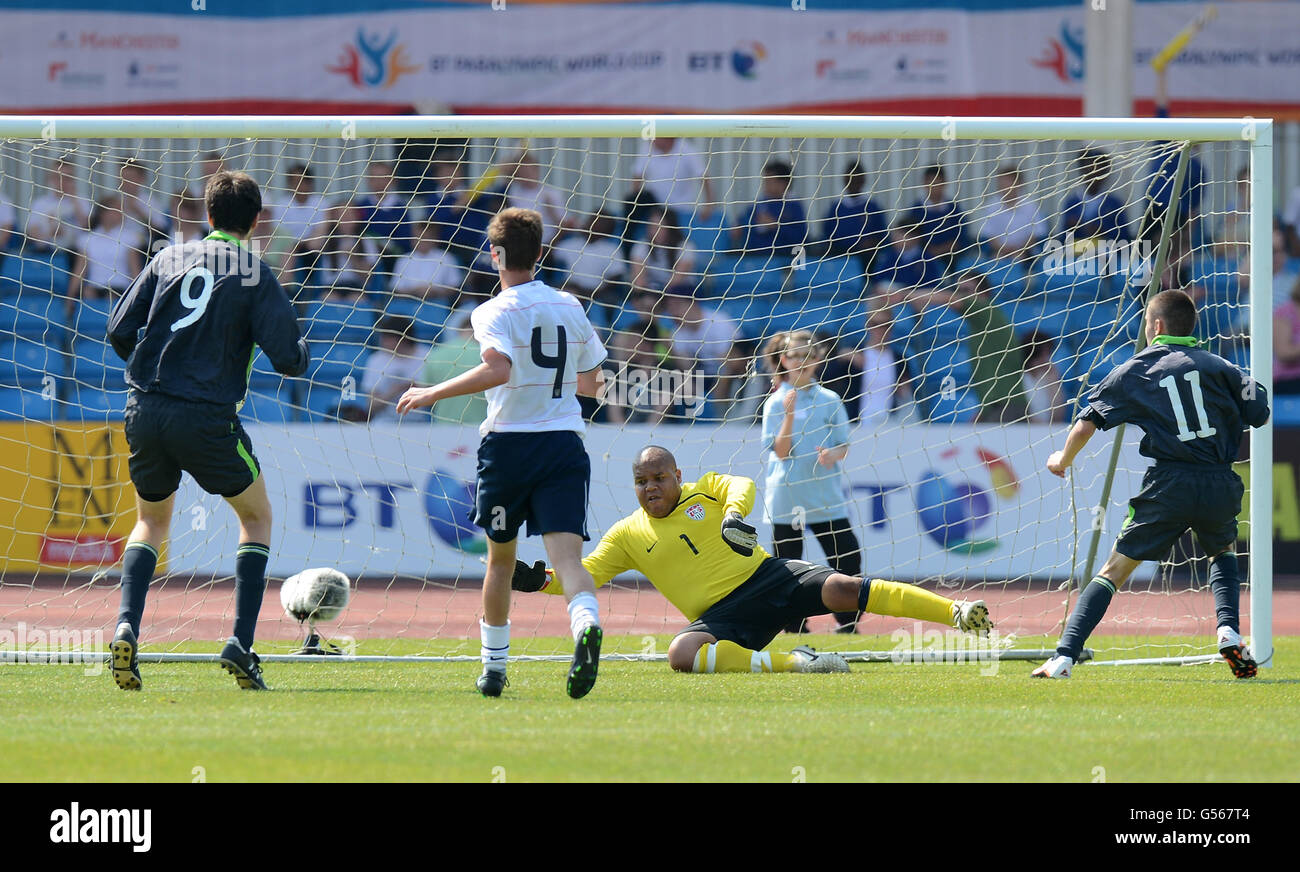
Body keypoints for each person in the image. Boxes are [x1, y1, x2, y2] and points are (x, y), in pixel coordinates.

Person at [509, 446, 993, 675]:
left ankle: (955, 613)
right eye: (642, 481)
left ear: (677, 475)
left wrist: (733, 516)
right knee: (679, 654)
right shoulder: (627, 534)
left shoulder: (706, 489)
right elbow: (586, 574)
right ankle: (799, 663)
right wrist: (540, 580)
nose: (651, 487)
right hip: (723, 617)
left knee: (845, 587)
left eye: (659, 477)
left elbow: (742, 486)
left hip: (769, 577)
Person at [105, 170, 311, 692]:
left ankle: (126, 624)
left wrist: (162, 372)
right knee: (257, 517)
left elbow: (117, 331)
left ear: (209, 215)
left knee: (151, 520)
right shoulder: (253, 271)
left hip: (146, 408)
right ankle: (241, 644)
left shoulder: (169, 256)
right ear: (256, 220)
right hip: (205, 415)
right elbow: (290, 360)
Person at [396, 207, 608, 699]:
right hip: (562, 443)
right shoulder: (570, 305)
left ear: (494, 255)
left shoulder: (489, 311)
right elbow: (593, 383)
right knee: (570, 562)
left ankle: (493, 669)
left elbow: (499, 370)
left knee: (500, 563)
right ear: (539, 254)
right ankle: (586, 628)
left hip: (509, 445)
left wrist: (431, 393)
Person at [1033, 289, 1270, 680]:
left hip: (1169, 482)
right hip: (1219, 481)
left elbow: (1089, 419)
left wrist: (1063, 458)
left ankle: (1063, 657)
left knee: (1113, 570)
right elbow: (1259, 410)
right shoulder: (1222, 366)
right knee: (1222, 551)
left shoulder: (1136, 369)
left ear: (1156, 326)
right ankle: (1227, 629)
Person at [760, 331, 863, 634]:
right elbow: (779, 451)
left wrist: (832, 454)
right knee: (788, 567)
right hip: (787, 497)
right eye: (794, 355)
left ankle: (847, 624)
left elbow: (844, 445)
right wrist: (789, 414)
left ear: (818, 359)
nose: (801, 361)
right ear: (783, 360)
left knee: (847, 557)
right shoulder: (775, 403)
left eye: (808, 355)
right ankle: (795, 626)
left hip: (824, 495)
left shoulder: (830, 400)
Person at [732, 159, 807, 258]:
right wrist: (739, 229)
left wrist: (776, 226)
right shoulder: (758, 205)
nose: (765, 184)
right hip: (755, 261)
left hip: (785, 261)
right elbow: (741, 225)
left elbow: (801, 238)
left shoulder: (794, 206)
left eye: (770, 180)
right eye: (765, 180)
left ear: (784, 183)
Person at [360, 316, 429, 421]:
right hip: (385, 421)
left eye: (387, 338)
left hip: (421, 422)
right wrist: (394, 391)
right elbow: (371, 406)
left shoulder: (428, 356)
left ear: (401, 338)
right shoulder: (376, 360)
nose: (381, 341)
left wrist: (417, 389)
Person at [975, 165, 1049, 260]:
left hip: (1026, 253)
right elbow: (988, 235)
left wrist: (1020, 249)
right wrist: (1003, 250)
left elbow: (1037, 234)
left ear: (1019, 184)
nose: (1004, 186)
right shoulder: (991, 206)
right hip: (997, 253)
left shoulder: (1031, 206)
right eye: (1001, 182)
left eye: (1008, 182)